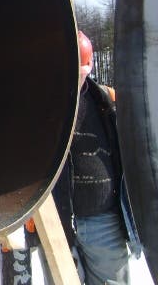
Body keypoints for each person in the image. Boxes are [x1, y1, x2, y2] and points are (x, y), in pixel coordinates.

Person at [46, 30, 141, 285]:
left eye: (78, 73)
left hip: (105, 221)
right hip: (58, 224)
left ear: (88, 67)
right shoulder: (41, 107)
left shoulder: (104, 100)